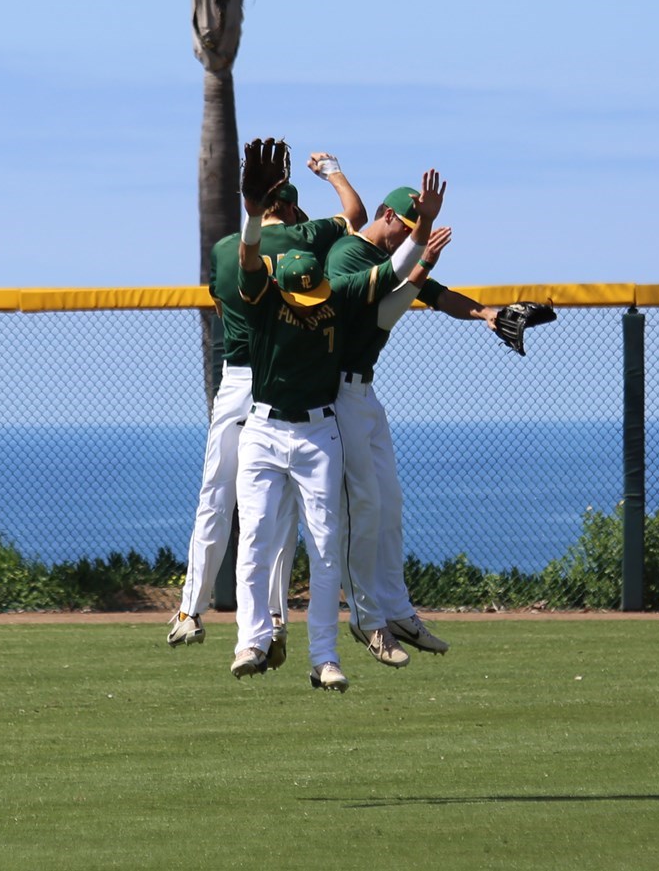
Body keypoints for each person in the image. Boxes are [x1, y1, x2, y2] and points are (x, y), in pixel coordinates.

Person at [230, 140, 441, 692]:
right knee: (255, 537)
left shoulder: (335, 291)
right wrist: (252, 215)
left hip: (319, 429)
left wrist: (421, 241)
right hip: (265, 428)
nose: (308, 303)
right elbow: (249, 261)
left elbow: (390, 271)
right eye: (300, 296)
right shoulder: (266, 301)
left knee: (326, 547)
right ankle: (252, 640)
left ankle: (324, 657)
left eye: (313, 295)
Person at [167, 151, 366, 672]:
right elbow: (356, 214)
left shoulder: (227, 247)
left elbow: (220, 298)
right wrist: (332, 171)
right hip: (288, 384)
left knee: (220, 497)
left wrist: (251, 211)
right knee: (283, 519)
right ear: (293, 209)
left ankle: (191, 608)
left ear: (255, 204)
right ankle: (275, 622)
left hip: (236, 378)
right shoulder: (308, 240)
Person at [326, 181, 498, 667]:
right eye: (407, 223)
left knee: (389, 506)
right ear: (385, 213)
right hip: (335, 395)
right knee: (361, 509)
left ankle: (397, 610)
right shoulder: (346, 254)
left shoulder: (403, 257)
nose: (410, 234)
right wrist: (422, 254)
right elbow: (384, 307)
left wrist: (487, 312)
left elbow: (433, 293)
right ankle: (366, 619)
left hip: (365, 395)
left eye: (416, 227)